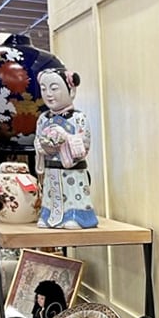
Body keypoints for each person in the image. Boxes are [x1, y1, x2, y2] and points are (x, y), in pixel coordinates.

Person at [34, 68, 98, 229]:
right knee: (50, 195)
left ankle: (77, 216)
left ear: (71, 90)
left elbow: (84, 143)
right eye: (44, 89)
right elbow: (37, 140)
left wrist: (65, 139)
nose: (48, 94)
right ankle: (48, 215)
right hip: (51, 169)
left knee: (73, 195)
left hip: (71, 170)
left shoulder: (78, 118)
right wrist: (43, 145)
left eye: (54, 88)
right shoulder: (43, 119)